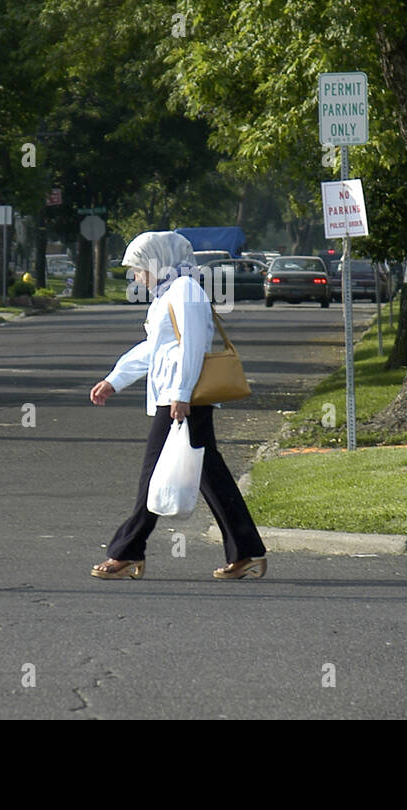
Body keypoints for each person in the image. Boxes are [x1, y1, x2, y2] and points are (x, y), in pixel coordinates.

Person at [88, 231, 267, 580]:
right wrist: (115, 379)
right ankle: (246, 551)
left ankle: (126, 551)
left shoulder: (185, 291)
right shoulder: (169, 293)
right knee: (210, 475)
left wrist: (181, 395)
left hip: (181, 400)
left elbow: (192, 346)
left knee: (154, 473)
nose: (137, 277)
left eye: (139, 268)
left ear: (157, 262)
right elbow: (154, 348)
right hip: (175, 397)